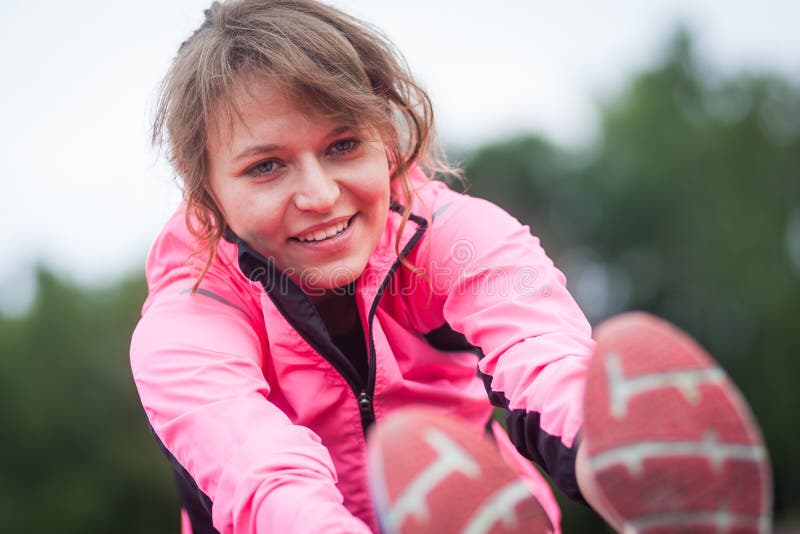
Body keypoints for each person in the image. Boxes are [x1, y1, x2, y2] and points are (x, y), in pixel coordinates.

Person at [130, 1, 772, 532]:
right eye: (265, 166)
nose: (320, 195)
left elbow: (541, 349)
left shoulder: (453, 238)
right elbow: (258, 471)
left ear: (386, 136)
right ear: (206, 192)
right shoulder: (185, 323)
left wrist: (621, 452)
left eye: (343, 144)